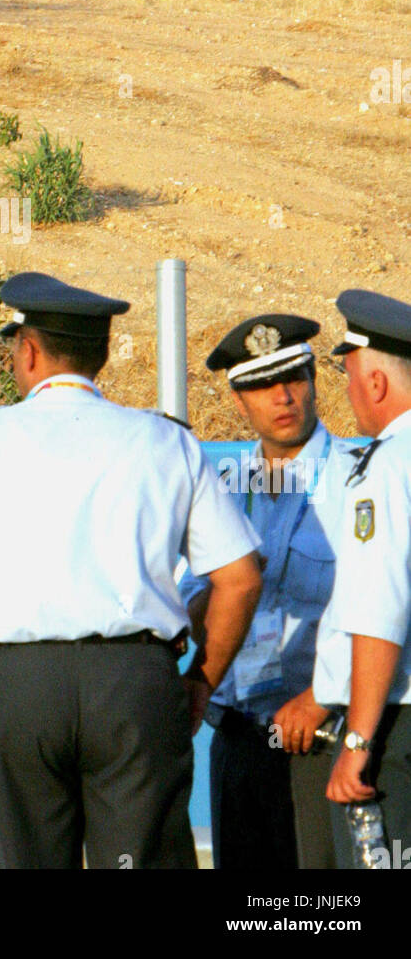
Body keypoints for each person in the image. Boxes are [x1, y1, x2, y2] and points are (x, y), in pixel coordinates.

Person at [0, 271, 262, 869]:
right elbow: (241, 577)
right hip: (133, 685)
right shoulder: (163, 441)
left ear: (28, 350)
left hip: (15, 692)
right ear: (100, 354)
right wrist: (200, 680)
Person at [180, 313, 356, 870]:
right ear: (239, 402)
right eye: (261, 385)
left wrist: (325, 696)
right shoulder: (223, 491)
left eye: (294, 377)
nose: (282, 396)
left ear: (313, 380)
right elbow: (189, 612)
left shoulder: (361, 482)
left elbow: (389, 609)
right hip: (239, 738)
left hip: (324, 733)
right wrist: (233, 577)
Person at [313, 289, 411, 868]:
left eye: (349, 378)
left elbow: (380, 610)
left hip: (395, 725)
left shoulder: (385, 469)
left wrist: (357, 742)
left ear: (375, 383)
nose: (348, 394)